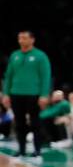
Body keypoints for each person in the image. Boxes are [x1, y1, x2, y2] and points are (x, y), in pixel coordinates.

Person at [2, 30, 52, 159]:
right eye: (19, 38)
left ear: (32, 40)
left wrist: (44, 95)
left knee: (35, 123)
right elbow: (8, 76)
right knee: (19, 123)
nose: (21, 41)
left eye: (24, 38)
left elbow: (45, 76)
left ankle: (37, 150)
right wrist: (6, 94)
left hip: (34, 94)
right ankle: (21, 150)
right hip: (16, 93)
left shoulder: (40, 56)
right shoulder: (15, 55)